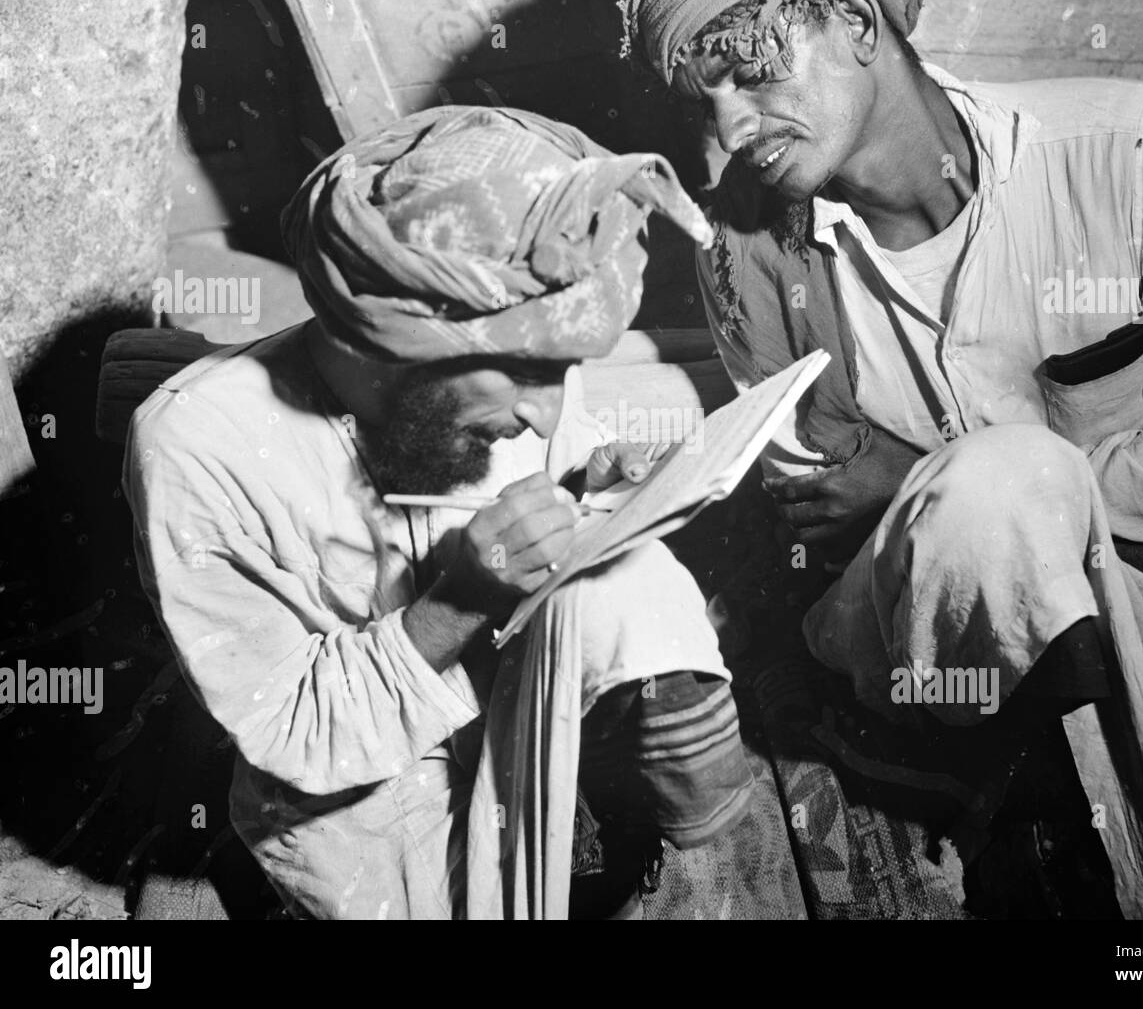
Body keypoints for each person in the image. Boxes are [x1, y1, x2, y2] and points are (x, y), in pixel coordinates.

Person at [622, 0, 1143, 919]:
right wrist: (962, 486)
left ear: (855, 21)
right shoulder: (747, 255)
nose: (723, 130)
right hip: (912, 627)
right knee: (997, 492)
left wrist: (920, 468)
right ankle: (1028, 816)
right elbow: (825, 510)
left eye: (751, 71)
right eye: (703, 99)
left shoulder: (1129, 154)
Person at [124, 106, 754, 920]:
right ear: (401, 349)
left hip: (520, 715)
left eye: (563, 374)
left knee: (638, 586)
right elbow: (293, 727)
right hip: (356, 794)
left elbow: (555, 463)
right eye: (525, 375)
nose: (544, 410)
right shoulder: (199, 445)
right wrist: (459, 600)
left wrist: (596, 483)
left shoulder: (493, 380)